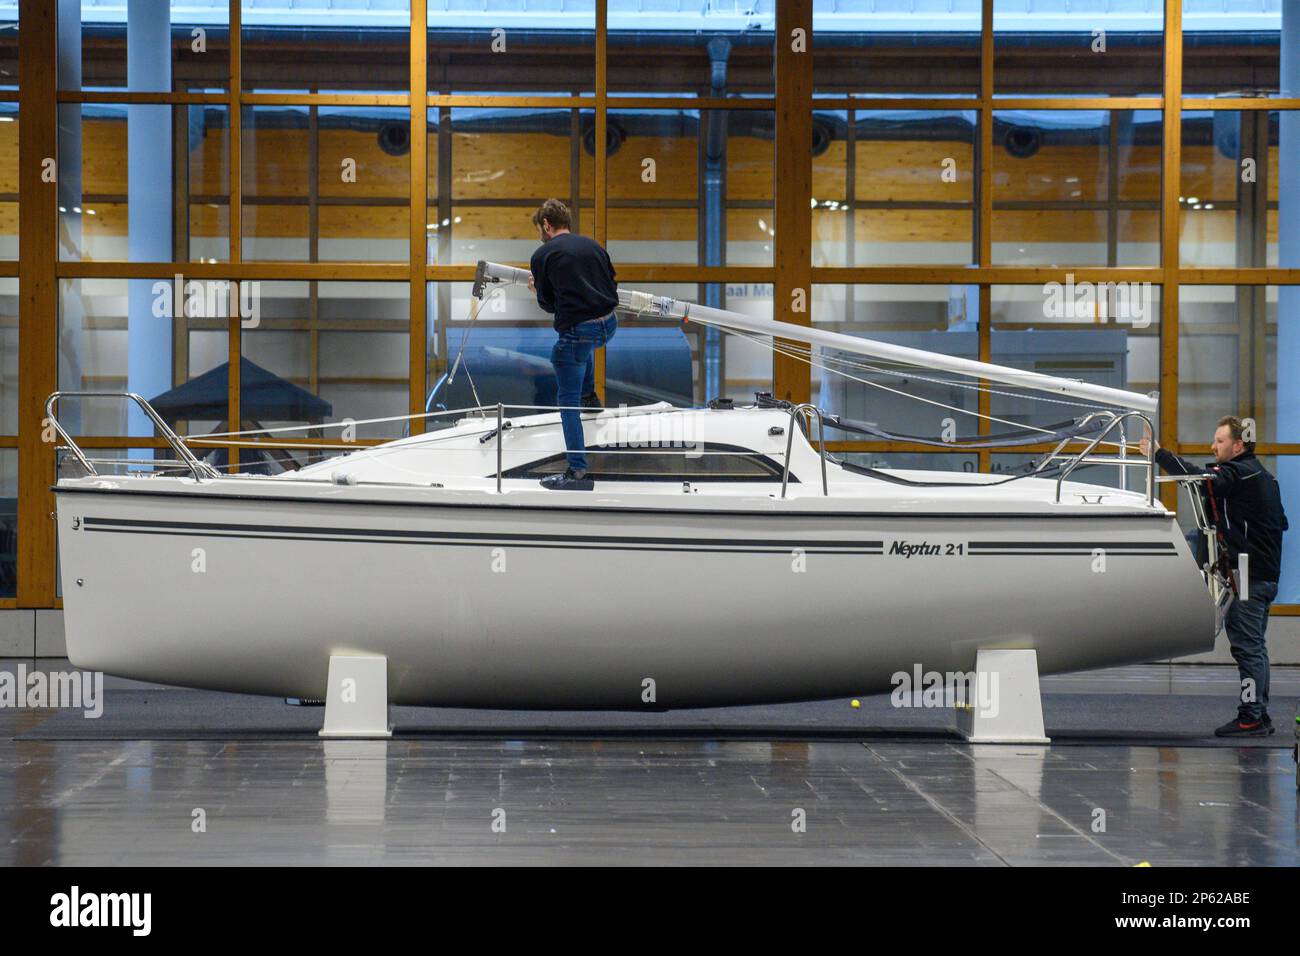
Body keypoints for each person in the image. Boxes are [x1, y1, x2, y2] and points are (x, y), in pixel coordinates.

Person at [1141, 416, 1289, 737]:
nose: (1212, 446)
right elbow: (1280, 523)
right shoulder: (1264, 477)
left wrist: (1159, 454)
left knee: (1247, 648)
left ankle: (1251, 716)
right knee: (1255, 646)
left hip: (1248, 576)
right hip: (1263, 574)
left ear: (1238, 446)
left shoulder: (1240, 475)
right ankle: (1258, 714)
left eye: (1219, 442)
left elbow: (1199, 480)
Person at [526, 198, 619, 490]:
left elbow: (548, 304)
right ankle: (590, 395)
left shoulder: (543, 255)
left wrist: (536, 288)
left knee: (567, 401)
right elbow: (611, 284)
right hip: (609, 325)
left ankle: (577, 472)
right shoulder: (594, 246)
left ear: (546, 225)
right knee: (585, 344)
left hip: (579, 332)